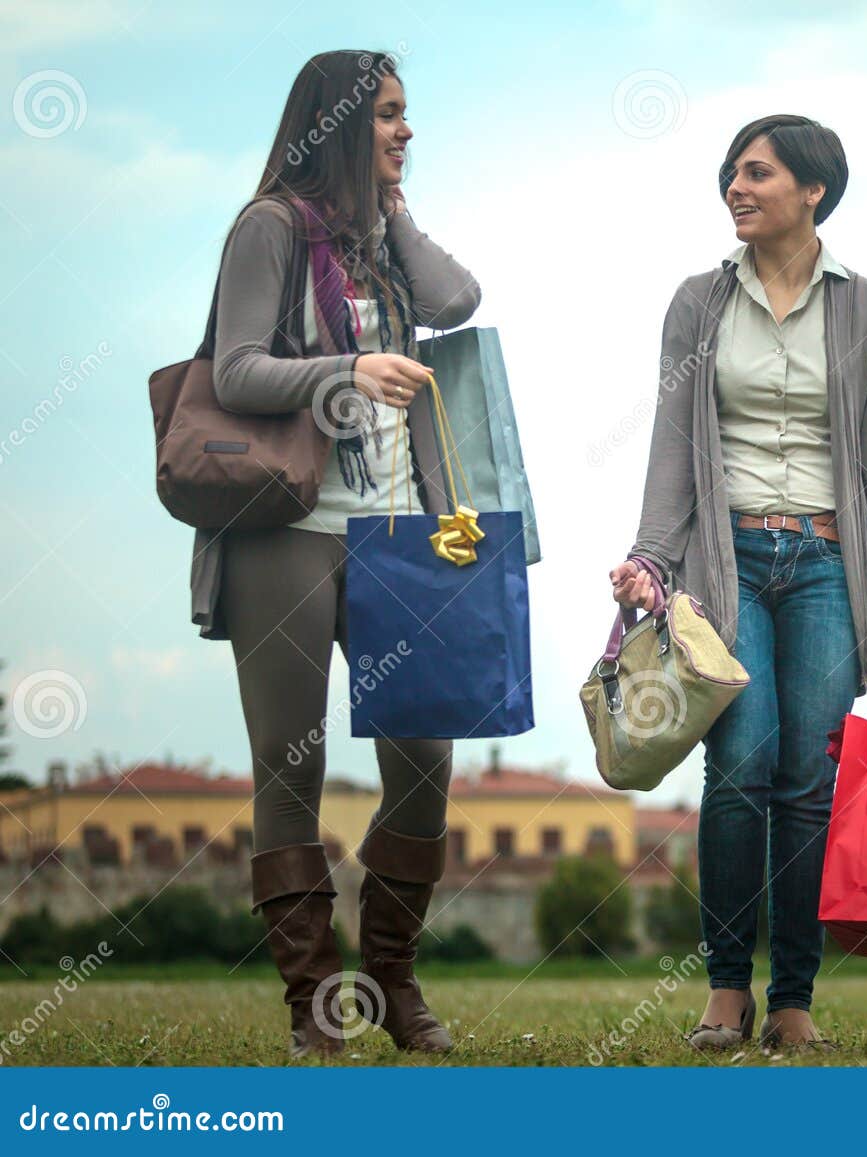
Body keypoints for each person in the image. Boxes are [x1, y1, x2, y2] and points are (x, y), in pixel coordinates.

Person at [613, 114, 867, 1050]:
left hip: (829, 566)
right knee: (740, 764)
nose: (737, 189)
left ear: (814, 192)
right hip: (730, 564)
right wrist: (650, 556)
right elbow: (674, 443)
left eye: (757, 174)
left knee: (810, 778)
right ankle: (726, 985)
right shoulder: (696, 304)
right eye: (731, 175)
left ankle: (792, 995)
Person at [199, 50, 480, 1057]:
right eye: (389, 117)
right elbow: (235, 367)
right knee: (292, 762)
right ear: (336, 123)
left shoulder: (379, 243)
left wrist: (394, 209)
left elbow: (459, 298)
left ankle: (393, 981)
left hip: (401, 526)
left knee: (426, 755)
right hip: (290, 527)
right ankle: (315, 1002)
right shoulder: (267, 228)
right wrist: (348, 365)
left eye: (410, 115)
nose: (407, 130)